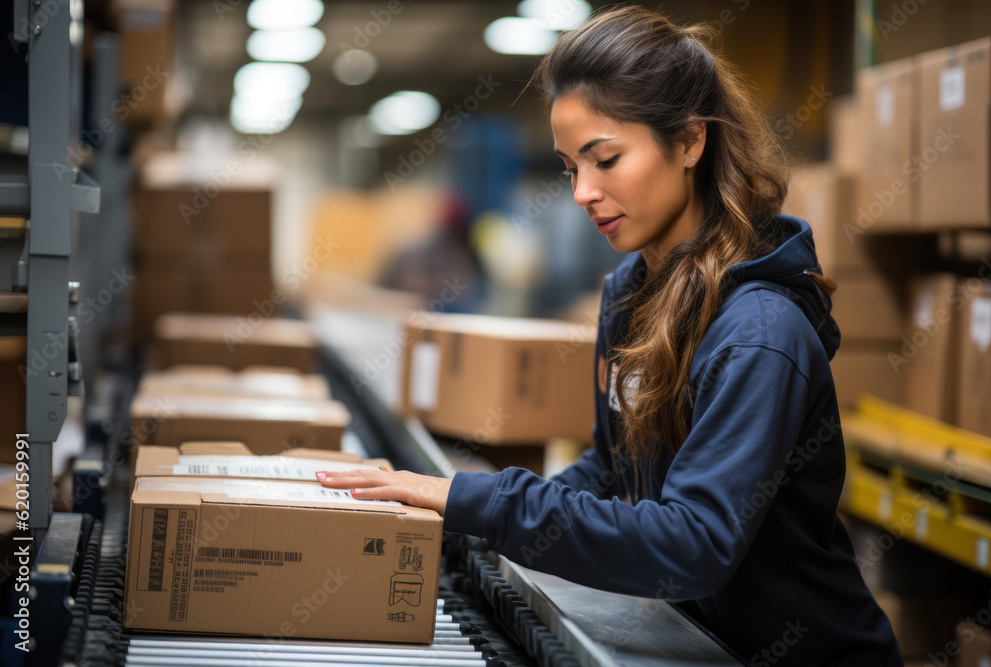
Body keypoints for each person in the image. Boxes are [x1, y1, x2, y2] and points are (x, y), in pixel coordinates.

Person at [317, 6, 904, 665]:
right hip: (695, 640)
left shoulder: (760, 334)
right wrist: (475, 518)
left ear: (689, 142)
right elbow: (611, 466)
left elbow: (694, 543)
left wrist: (487, 503)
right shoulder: (628, 293)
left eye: (605, 159)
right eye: (571, 167)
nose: (582, 193)